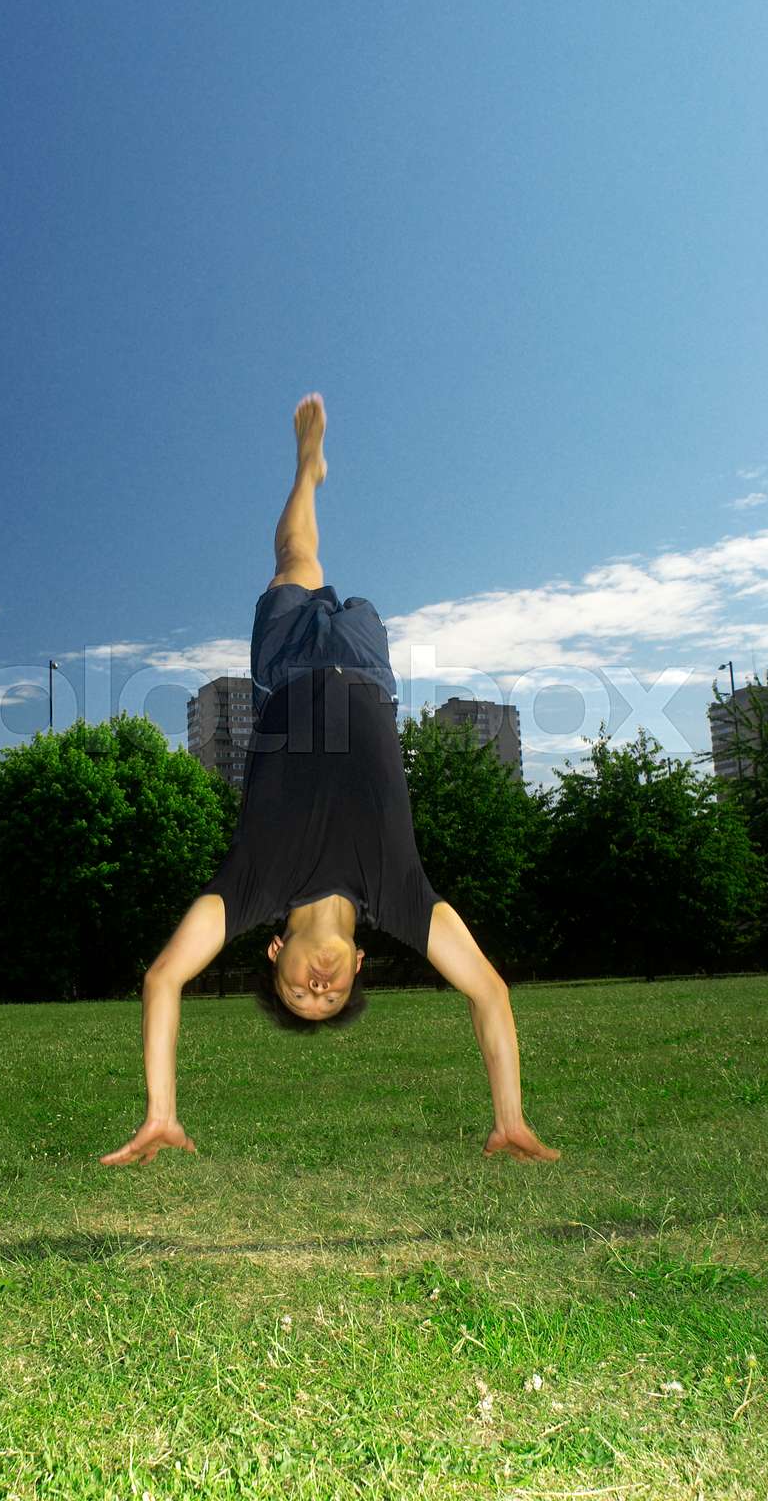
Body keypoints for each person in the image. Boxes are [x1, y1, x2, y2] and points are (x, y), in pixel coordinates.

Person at [101, 394, 560, 1169]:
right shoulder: (402, 898)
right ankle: (313, 474)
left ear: (274, 952)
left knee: (292, 562)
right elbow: (489, 992)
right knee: (312, 572)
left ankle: (305, 473)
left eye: (298, 993)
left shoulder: (248, 889)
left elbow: (163, 978)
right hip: (367, 671)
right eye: (331, 997)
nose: (316, 991)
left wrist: (160, 1113)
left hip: (285, 673)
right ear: (355, 968)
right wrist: (509, 1118)